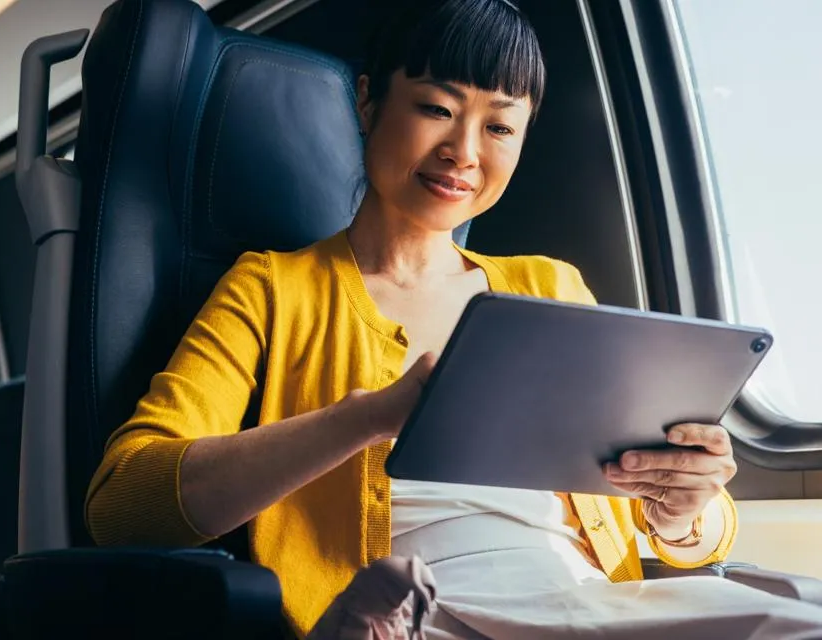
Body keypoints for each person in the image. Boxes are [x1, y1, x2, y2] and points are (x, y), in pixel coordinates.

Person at [84, 1, 822, 638]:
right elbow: (121, 508)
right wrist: (370, 417)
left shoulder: (549, 287)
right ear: (368, 103)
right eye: (436, 109)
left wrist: (681, 508)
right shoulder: (272, 289)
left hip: (581, 596)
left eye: (499, 128)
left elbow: (670, 525)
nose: (462, 154)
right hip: (409, 606)